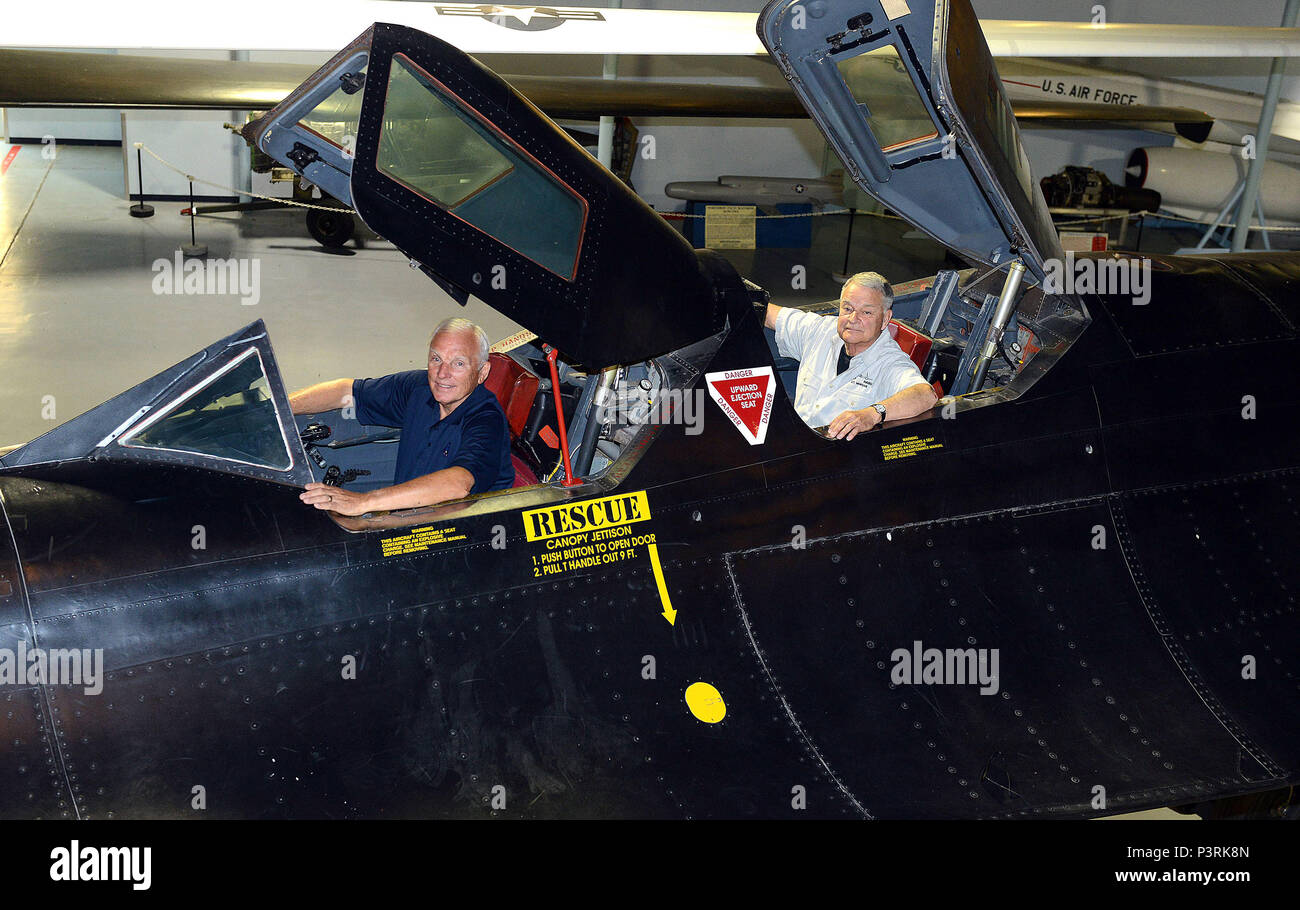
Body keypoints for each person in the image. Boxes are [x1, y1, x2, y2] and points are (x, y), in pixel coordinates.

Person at [289, 318, 514, 515]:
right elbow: (346, 392)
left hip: (458, 534)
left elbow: (458, 484)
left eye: (459, 364)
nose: (442, 374)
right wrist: (279, 408)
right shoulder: (419, 389)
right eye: (436, 359)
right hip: (407, 516)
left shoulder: (487, 419)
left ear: (482, 372)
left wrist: (364, 502)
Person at [765, 271, 937, 440]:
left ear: (885, 319)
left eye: (866, 312)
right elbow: (767, 313)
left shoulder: (889, 363)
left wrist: (872, 414)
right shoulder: (819, 331)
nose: (853, 318)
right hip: (793, 443)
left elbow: (926, 395)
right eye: (847, 308)